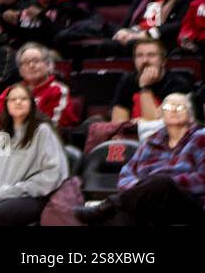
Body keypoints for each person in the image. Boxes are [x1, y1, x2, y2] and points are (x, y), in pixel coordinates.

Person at [78, 93, 204, 226]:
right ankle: (110, 210)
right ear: (162, 115)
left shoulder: (201, 138)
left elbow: (202, 179)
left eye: (179, 107)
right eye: (167, 107)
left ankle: (108, 206)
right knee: (120, 217)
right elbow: (127, 174)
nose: (173, 110)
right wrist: (144, 189)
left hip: (187, 204)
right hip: (150, 204)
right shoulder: (151, 141)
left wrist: (166, 184)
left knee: (161, 181)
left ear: (190, 115)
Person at [0, 83, 67, 226]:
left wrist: (18, 190)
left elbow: (52, 172)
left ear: (31, 103)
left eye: (23, 99)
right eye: (13, 99)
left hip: (33, 194)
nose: (18, 102)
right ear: (6, 105)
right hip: (3, 194)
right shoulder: (3, 135)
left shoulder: (42, 131)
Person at [0, 43, 78, 129]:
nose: (31, 65)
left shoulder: (58, 90)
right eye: (26, 62)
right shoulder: (11, 91)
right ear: (20, 71)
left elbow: (55, 126)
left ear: (48, 65)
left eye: (36, 61)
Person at [110, 38, 193, 126]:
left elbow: (155, 125)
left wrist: (145, 88)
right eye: (139, 55)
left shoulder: (178, 84)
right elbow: (118, 124)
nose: (145, 60)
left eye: (151, 55)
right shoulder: (128, 80)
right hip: (132, 135)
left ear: (163, 61)